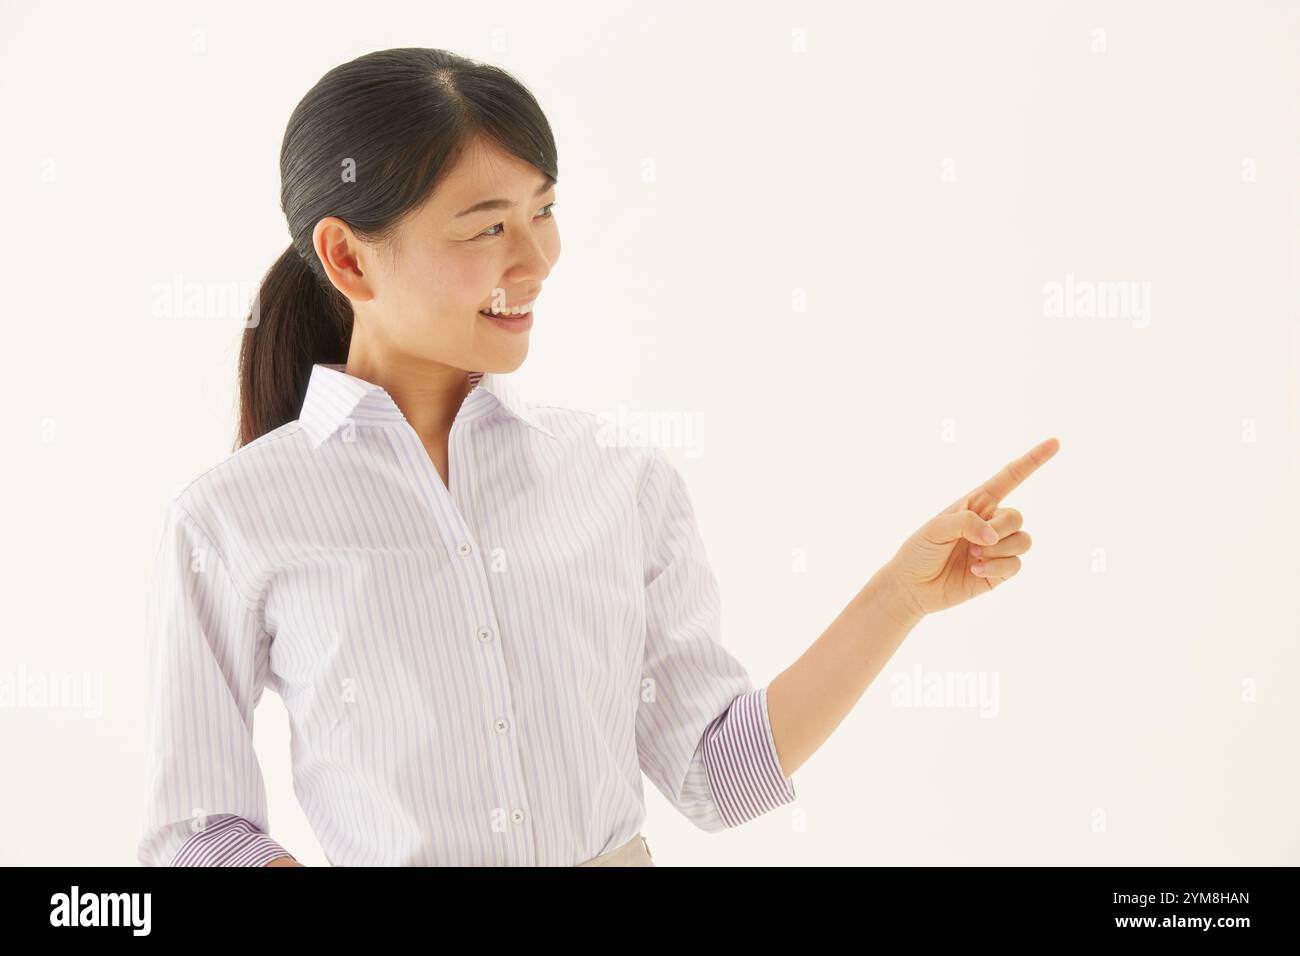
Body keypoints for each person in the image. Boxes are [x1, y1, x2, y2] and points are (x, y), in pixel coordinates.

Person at [138, 47, 1058, 867]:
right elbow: (195, 833)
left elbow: (717, 776)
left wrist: (898, 598)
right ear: (347, 258)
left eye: (543, 210)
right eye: (486, 226)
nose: (537, 258)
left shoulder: (621, 479)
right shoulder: (233, 516)